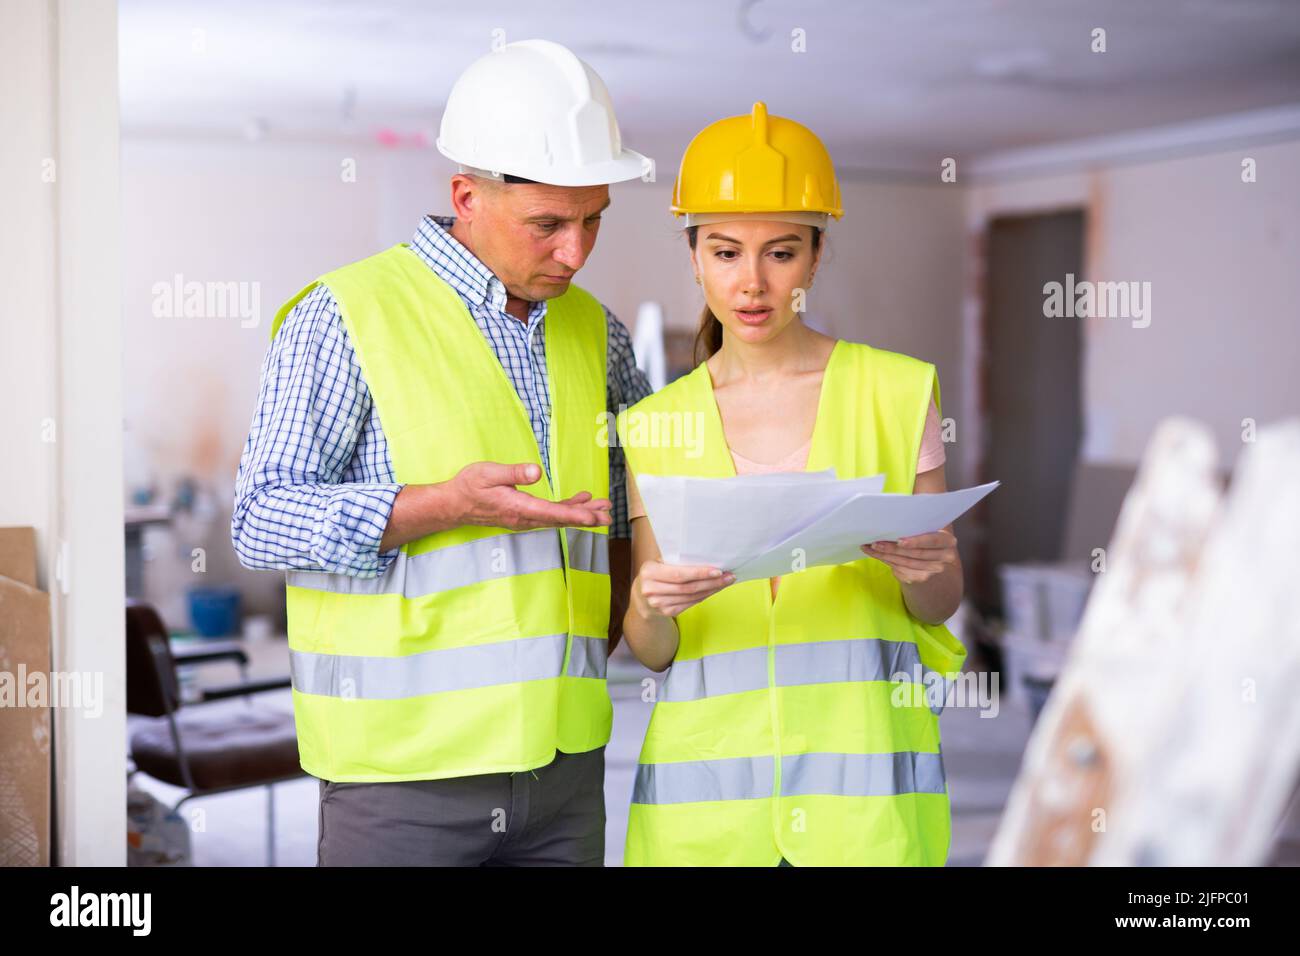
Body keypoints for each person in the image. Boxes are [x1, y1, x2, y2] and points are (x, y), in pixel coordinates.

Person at [231, 39, 654, 866]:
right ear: (466, 195)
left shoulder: (595, 332)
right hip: (404, 780)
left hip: (566, 770)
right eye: (549, 225)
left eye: (594, 219)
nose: (576, 251)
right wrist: (443, 505)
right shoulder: (344, 315)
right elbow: (259, 521)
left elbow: (627, 516)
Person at [616, 103, 967, 866]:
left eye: (780, 253)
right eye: (725, 251)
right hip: (705, 811)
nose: (751, 283)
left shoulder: (899, 393)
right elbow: (650, 650)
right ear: (693, 255)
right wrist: (647, 605)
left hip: (863, 805)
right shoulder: (653, 424)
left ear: (815, 256)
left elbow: (941, 603)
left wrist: (930, 568)